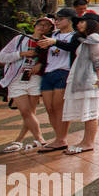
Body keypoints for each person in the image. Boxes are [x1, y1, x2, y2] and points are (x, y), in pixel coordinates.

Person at [0, 17, 52, 147]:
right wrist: (22, 54)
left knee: (30, 114)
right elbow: (2, 57)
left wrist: (40, 64)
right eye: (40, 24)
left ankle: (19, 139)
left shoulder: (48, 42)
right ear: (35, 26)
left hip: (35, 79)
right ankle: (39, 138)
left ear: (50, 28)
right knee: (25, 112)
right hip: (17, 79)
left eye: (46, 25)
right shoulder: (20, 39)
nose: (42, 27)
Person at [60, 15, 99, 154]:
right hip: (83, 79)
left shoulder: (93, 39)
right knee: (88, 112)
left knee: (91, 112)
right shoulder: (87, 39)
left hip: (89, 80)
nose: (79, 25)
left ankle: (88, 142)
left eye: (82, 22)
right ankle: (86, 141)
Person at [34, 8, 78, 151]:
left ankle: (61, 139)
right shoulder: (52, 35)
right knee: (49, 108)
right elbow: (41, 52)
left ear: (69, 20)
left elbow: (72, 48)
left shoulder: (75, 36)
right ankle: (58, 136)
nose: (57, 22)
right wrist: (42, 44)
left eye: (60, 19)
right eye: (56, 19)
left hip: (64, 72)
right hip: (48, 73)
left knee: (59, 107)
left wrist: (54, 42)